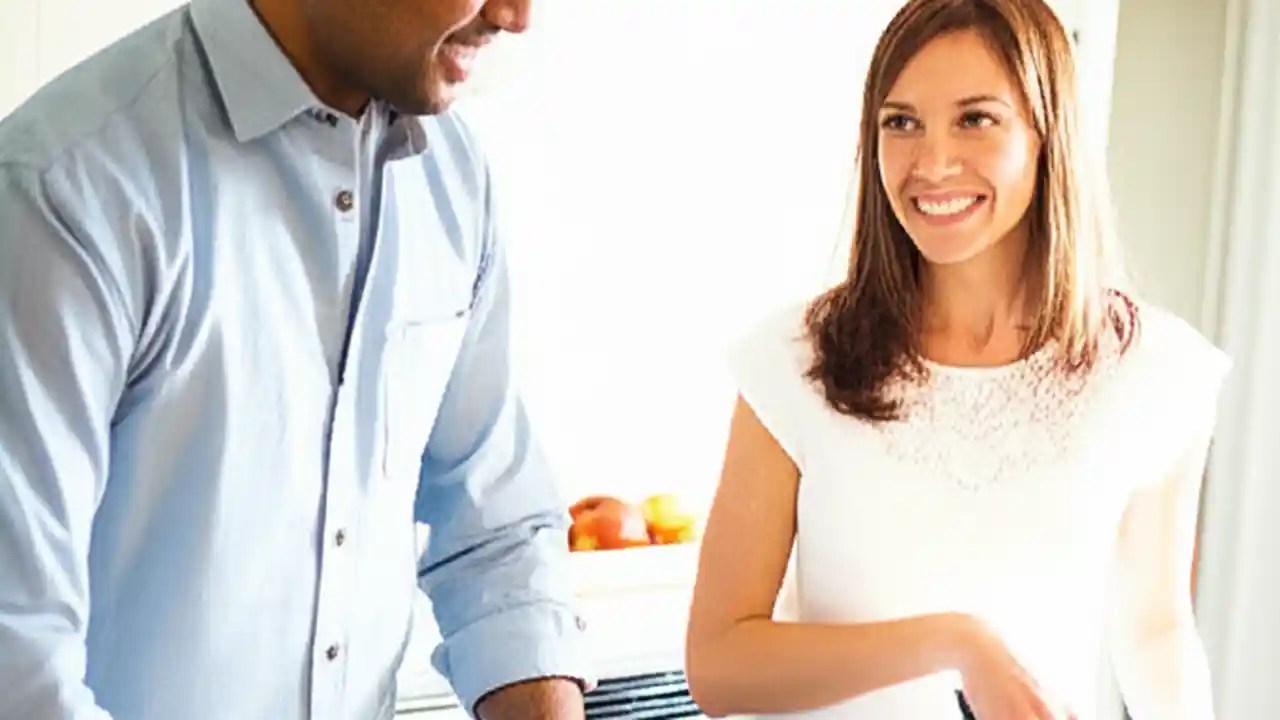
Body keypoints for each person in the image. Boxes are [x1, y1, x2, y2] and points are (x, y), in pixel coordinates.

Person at [0, 0, 592, 718]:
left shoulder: (455, 181)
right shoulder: (63, 194)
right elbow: (17, 662)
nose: (514, 15)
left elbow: (494, 532)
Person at [685, 0, 1228, 719]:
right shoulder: (794, 361)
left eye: (976, 118)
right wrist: (954, 643)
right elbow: (719, 665)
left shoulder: (1155, 370)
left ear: (1047, 133)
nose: (932, 163)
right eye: (901, 122)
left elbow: (1156, 629)